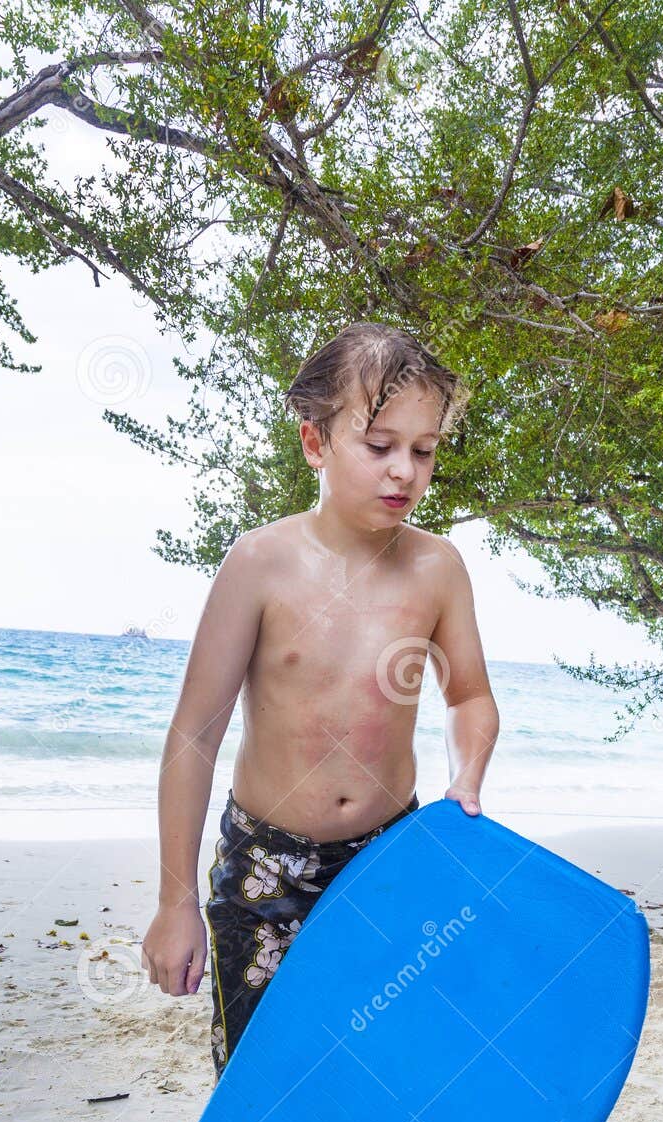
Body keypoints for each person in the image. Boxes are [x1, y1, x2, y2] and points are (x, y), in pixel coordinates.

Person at [140, 321, 500, 1083]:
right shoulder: (260, 563)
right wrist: (176, 903)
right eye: (378, 445)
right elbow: (193, 735)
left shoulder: (437, 569)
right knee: (262, 1082)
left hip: (387, 862)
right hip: (262, 871)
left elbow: (466, 695)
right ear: (315, 443)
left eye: (424, 449)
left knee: (379, 1072)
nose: (404, 470)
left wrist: (463, 779)